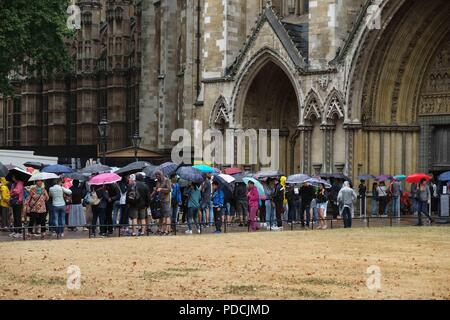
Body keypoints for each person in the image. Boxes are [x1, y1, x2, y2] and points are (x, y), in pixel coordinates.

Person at [153, 170, 171, 235]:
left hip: (166, 200)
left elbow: (169, 189)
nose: (157, 177)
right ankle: (160, 229)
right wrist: (154, 191)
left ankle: (167, 230)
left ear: (160, 175)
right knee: (160, 216)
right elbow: (157, 189)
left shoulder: (167, 180)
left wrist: (161, 189)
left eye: (158, 175)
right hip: (159, 200)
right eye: (156, 175)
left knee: (167, 216)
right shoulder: (158, 181)